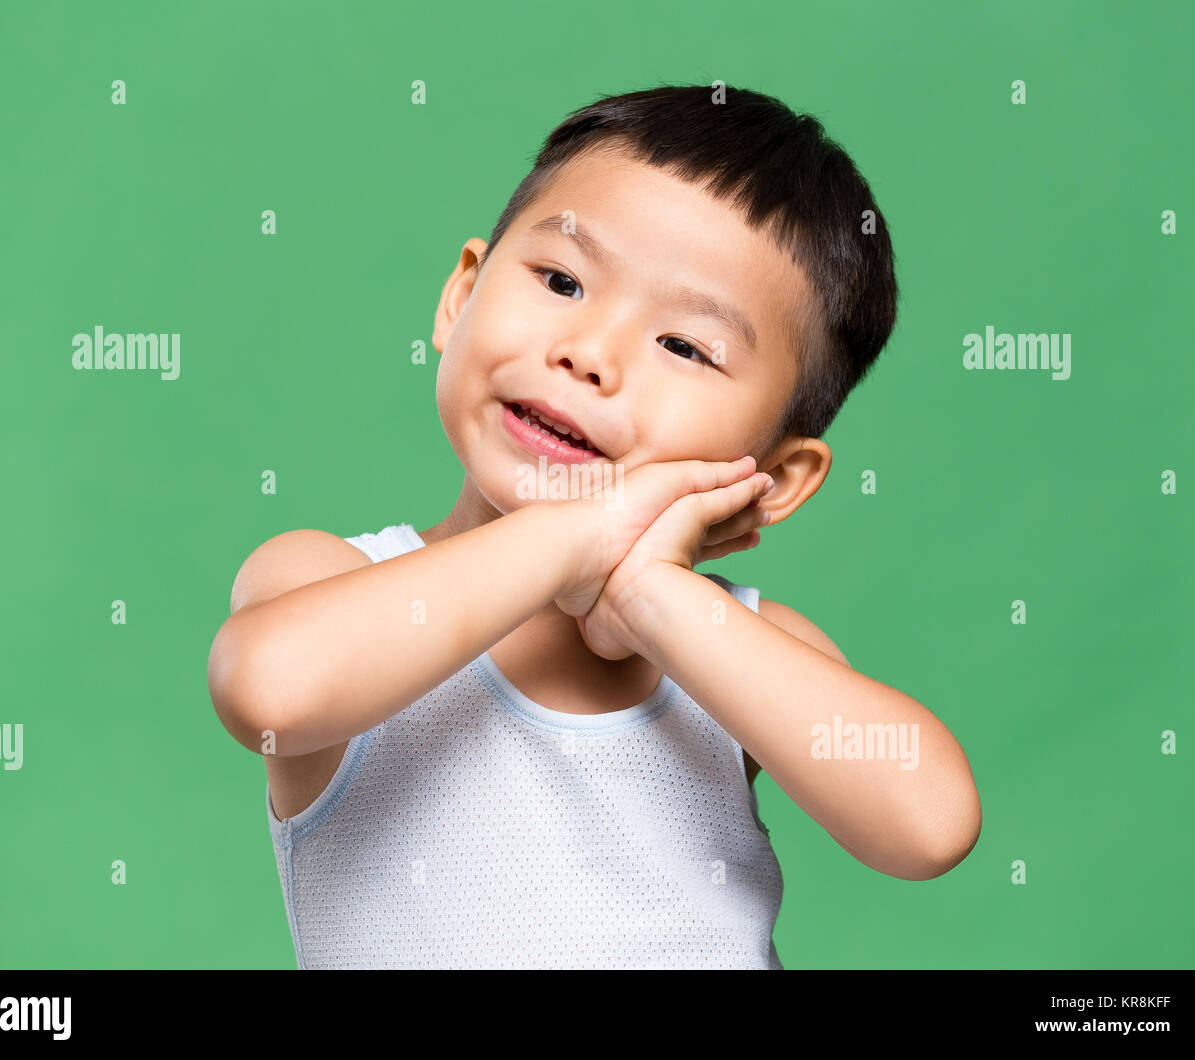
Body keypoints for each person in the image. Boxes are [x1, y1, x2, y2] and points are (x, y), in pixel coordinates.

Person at [207, 83, 981, 969]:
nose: (590, 354)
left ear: (774, 477)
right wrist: (581, 537)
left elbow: (930, 825)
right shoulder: (335, 578)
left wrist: (652, 594)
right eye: (562, 280)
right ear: (460, 297)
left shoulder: (734, 644)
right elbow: (270, 692)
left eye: (685, 346)